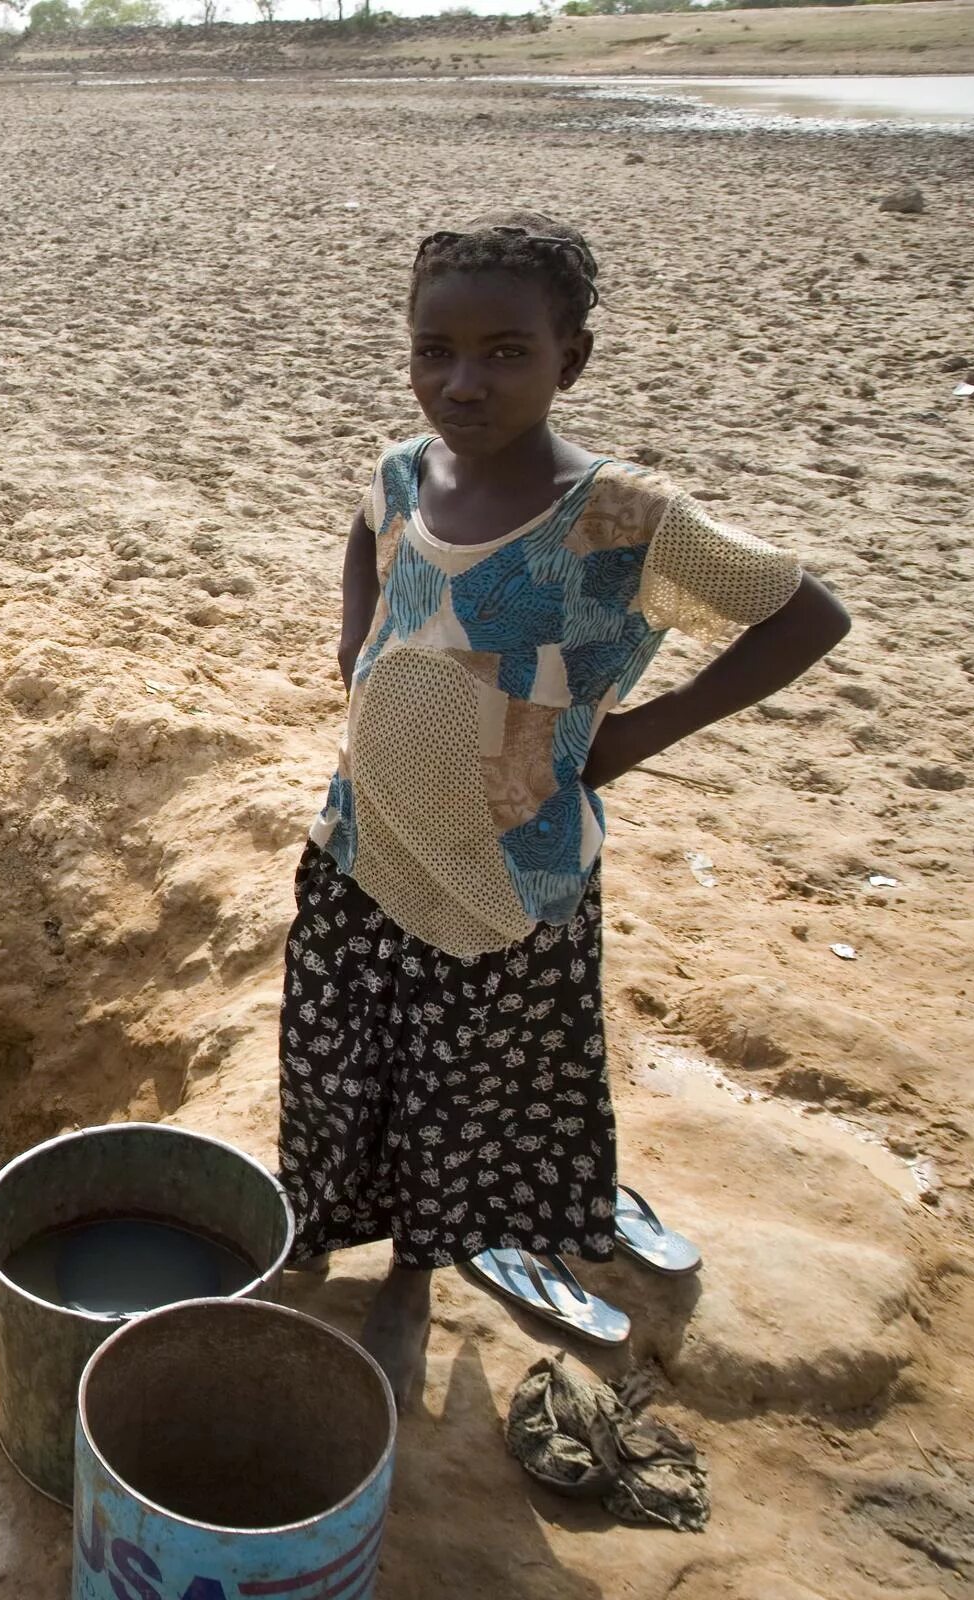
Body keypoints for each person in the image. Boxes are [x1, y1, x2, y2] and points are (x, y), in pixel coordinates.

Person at [283, 212, 849, 1397]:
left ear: (570, 359)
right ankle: (323, 1226)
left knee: (462, 1086)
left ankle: (415, 1280)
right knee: (342, 1059)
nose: (462, 381)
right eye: (434, 349)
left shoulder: (620, 517)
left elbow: (807, 616)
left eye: (505, 351)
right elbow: (366, 538)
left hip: (505, 869)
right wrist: (355, 645)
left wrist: (638, 733)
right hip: (363, 835)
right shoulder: (403, 468)